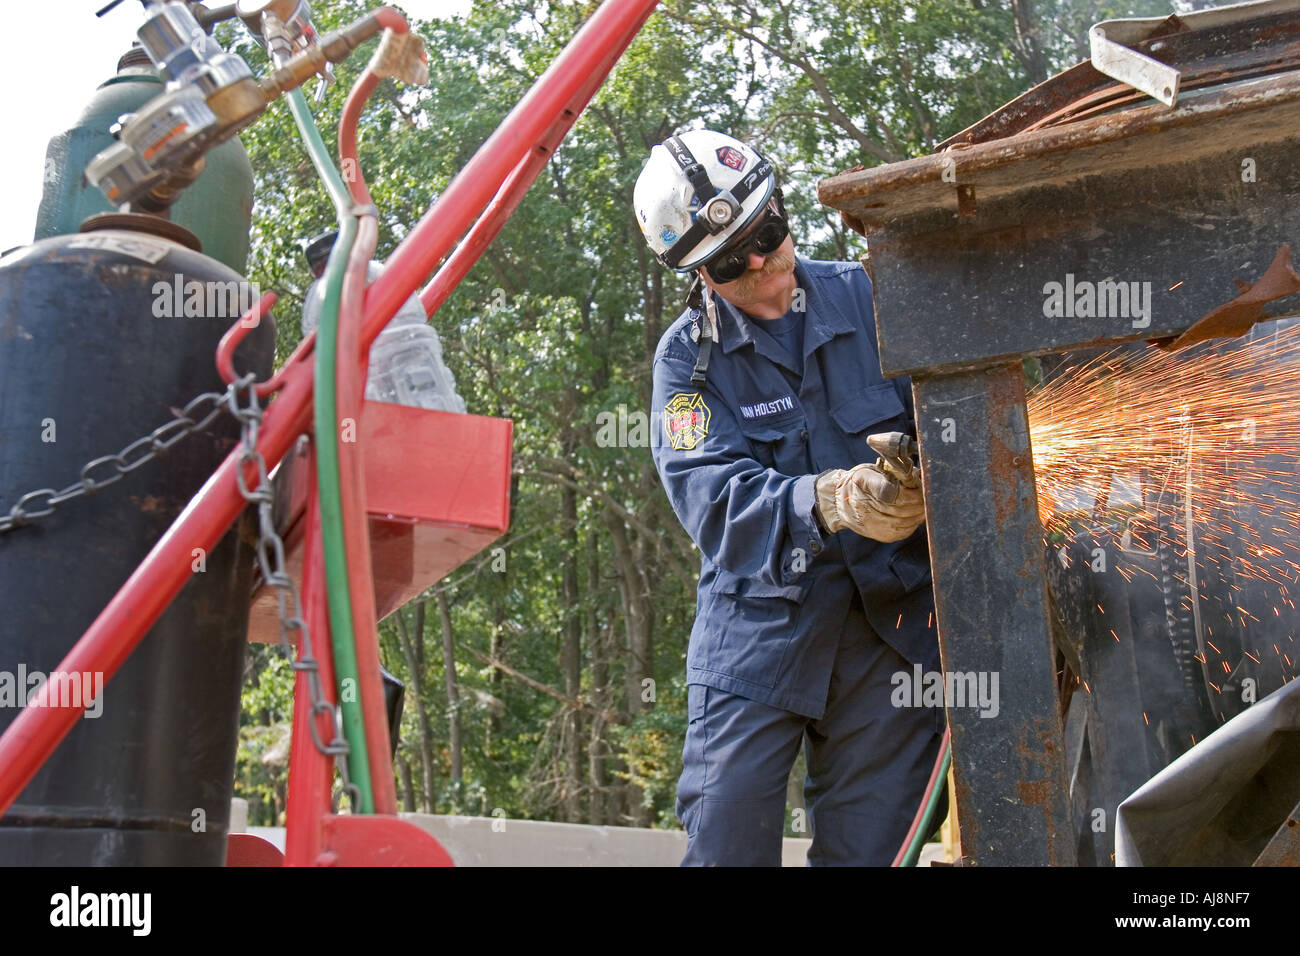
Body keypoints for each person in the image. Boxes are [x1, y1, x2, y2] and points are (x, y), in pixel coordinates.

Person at [635, 129, 945, 866]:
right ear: (697, 274)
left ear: (781, 209)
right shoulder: (687, 362)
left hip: (889, 637)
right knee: (725, 847)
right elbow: (709, 495)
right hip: (758, 636)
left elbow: (960, 425)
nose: (758, 264)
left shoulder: (875, 299)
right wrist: (830, 500)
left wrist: (929, 486)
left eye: (766, 236)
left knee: (873, 856)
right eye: (727, 263)